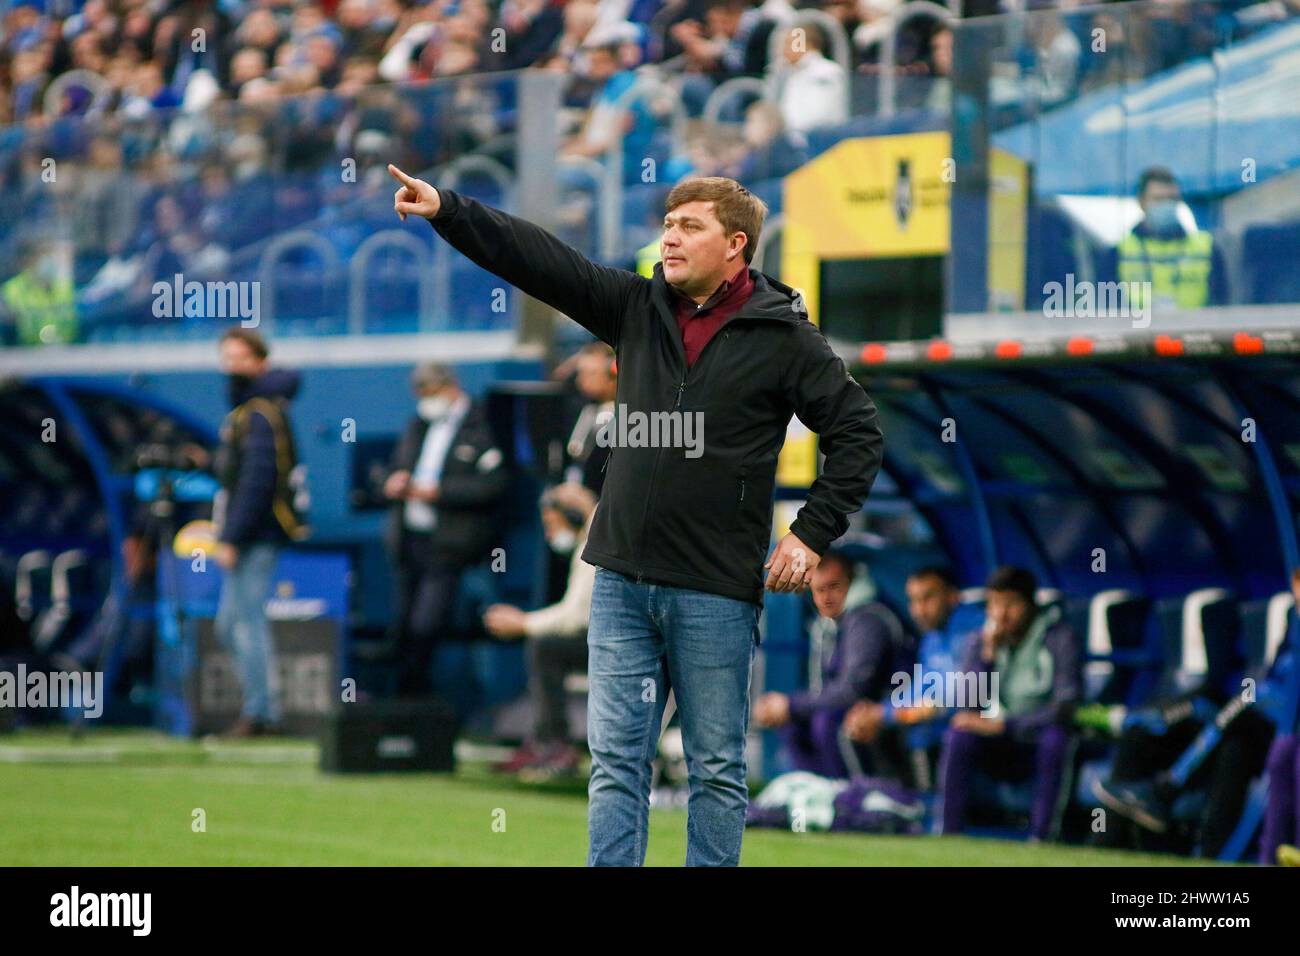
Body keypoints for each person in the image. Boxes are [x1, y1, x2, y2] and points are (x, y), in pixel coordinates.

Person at [389, 166, 882, 866]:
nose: (669, 238)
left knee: (716, 769)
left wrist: (809, 534)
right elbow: (541, 261)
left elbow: (859, 432)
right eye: (667, 224)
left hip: (715, 588)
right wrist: (449, 210)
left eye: (690, 226)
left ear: (735, 243)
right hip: (619, 579)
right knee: (616, 762)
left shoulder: (785, 337)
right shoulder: (633, 306)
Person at [1095, 567, 1299, 859]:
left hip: (1288, 721)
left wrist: (1258, 697)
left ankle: (1166, 790)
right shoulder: (1295, 617)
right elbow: (1273, 673)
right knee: (1232, 746)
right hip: (1264, 717)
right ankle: (1208, 852)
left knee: (1242, 707)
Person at [383, 362, 509, 698]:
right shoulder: (418, 425)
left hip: (451, 541)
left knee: (427, 622)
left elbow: (494, 485)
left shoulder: (482, 425)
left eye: (431, 392)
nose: (426, 400)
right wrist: (390, 482)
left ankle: (417, 698)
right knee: (404, 623)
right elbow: (391, 467)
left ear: (451, 387)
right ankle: (403, 699)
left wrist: (440, 492)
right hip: (410, 538)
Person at [937, 566, 1083, 841]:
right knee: (959, 735)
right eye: (994, 604)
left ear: (1029, 604)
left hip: (1034, 736)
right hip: (1000, 740)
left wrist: (1006, 725)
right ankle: (948, 833)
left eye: (1011, 604)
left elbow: (1066, 705)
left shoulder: (1059, 637)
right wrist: (987, 657)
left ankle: (1042, 837)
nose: (1001, 614)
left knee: (1057, 738)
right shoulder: (980, 642)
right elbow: (970, 706)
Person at [213, 328, 305, 737]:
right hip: (249, 532)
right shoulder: (251, 411)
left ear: (260, 361)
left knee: (246, 621)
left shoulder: (260, 413)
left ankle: (262, 712)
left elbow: (256, 481)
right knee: (228, 624)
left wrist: (231, 537)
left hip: (258, 534)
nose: (233, 367)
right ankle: (260, 706)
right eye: (227, 358)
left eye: (241, 358)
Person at [752, 551, 910, 780]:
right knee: (795, 722)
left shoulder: (867, 620)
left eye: (834, 587)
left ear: (852, 582)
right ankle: (818, 797)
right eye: (819, 590)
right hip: (863, 711)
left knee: (825, 720)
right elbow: (824, 688)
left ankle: (852, 801)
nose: (826, 598)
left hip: (887, 714)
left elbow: (851, 691)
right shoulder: (830, 626)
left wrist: (790, 704)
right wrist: (787, 708)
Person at [484, 482, 599, 780]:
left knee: (546, 647)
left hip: (636, 643)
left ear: (574, 515)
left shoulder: (597, 540)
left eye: (550, 524)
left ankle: (554, 745)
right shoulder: (594, 536)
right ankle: (547, 742)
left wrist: (523, 623)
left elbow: (575, 617)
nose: (549, 534)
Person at [844, 565, 972, 791]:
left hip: (969, 726)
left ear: (953, 596)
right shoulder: (932, 637)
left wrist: (884, 714)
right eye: (913, 600)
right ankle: (876, 800)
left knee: (915, 728)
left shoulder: (969, 632)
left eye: (928, 598)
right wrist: (877, 711)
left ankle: (919, 806)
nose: (919, 610)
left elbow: (947, 701)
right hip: (937, 725)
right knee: (857, 725)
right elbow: (918, 690)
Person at [1116, 166, 1227, 312]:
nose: (1166, 205)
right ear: (1141, 202)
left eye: (1172, 199)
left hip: (1196, 331)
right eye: (1158, 199)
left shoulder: (1207, 248)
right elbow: (1107, 308)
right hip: (1137, 332)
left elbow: (1223, 304)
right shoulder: (1120, 252)